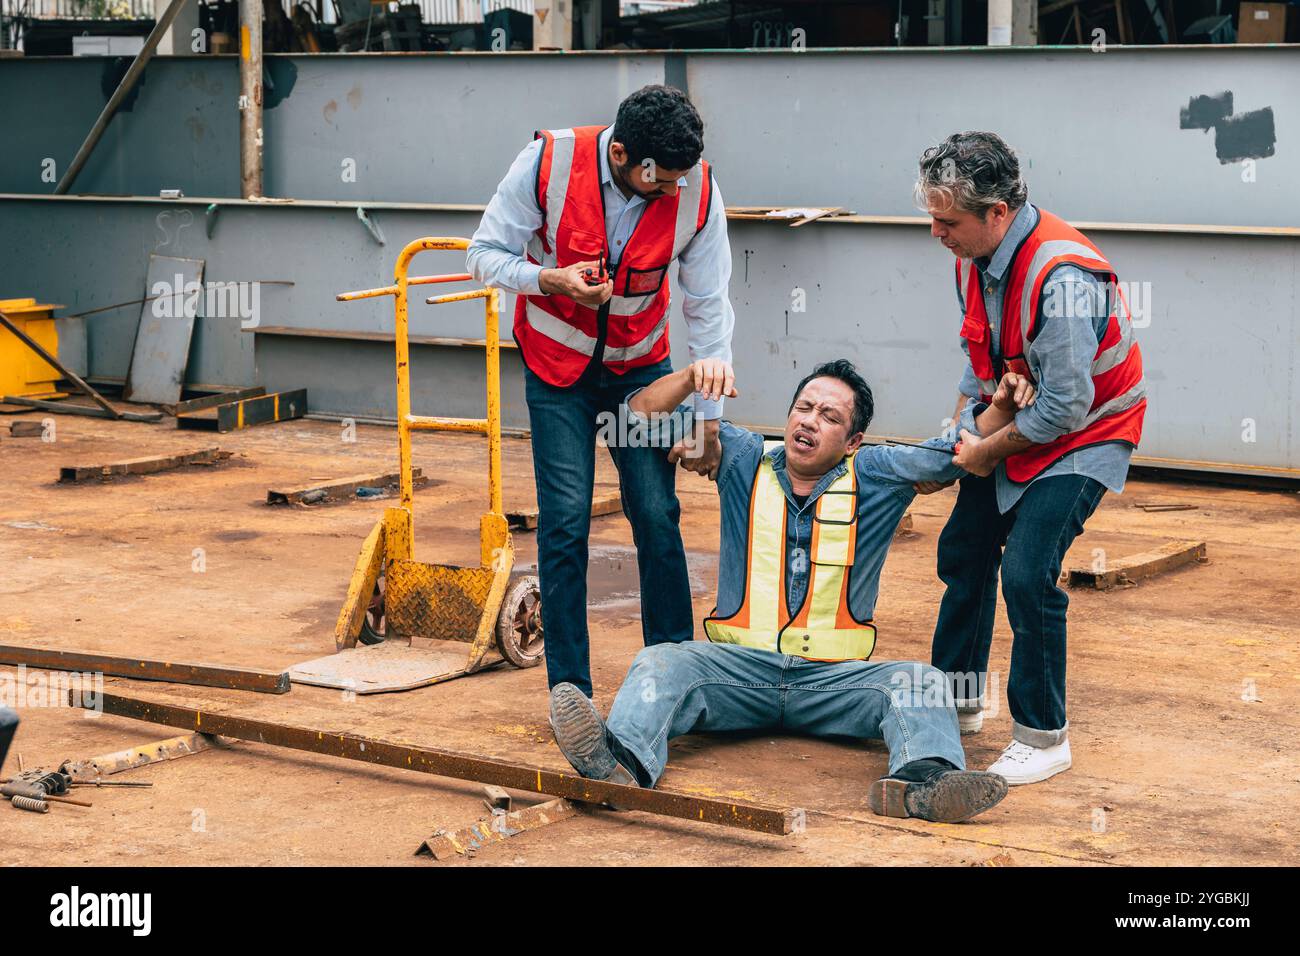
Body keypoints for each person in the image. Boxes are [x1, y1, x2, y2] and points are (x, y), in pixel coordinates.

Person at [547, 359, 1036, 823]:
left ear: (853, 441)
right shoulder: (740, 455)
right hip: (735, 677)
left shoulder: (878, 473)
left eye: (829, 416)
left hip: (836, 684)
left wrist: (1004, 408)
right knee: (662, 661)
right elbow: (635, 419)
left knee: (922, 681)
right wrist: (691, 377)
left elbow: (952, 449)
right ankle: (620, 765)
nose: (810, 421)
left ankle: (924, 784)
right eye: (803, 407)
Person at [467, 85, 736, 699]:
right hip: (557, 371)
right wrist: (549, 280)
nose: (674, 191)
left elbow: (708, 303)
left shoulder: (696, 189)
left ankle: (669, 680)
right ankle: (571, 691)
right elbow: (483, 255)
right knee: (564, 526)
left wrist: (709, 416)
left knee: (657, 516)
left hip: (642, 371)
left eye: (680, 179)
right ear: (620, 155)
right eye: (661, 179)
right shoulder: (546, 163)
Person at [916, 131, 1147, 785]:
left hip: (1088, 434)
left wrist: (984, 451)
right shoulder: (975, 256)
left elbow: (1067, 408)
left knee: (1026, 573)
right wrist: (963, 434)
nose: (937, 234)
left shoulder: (1062, 278)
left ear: (997, 212)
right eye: (933, 219)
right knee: (964, 551)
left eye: (948, 221)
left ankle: (1044, 736)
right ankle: (956, 702)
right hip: (1020, 420)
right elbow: (980, 363)